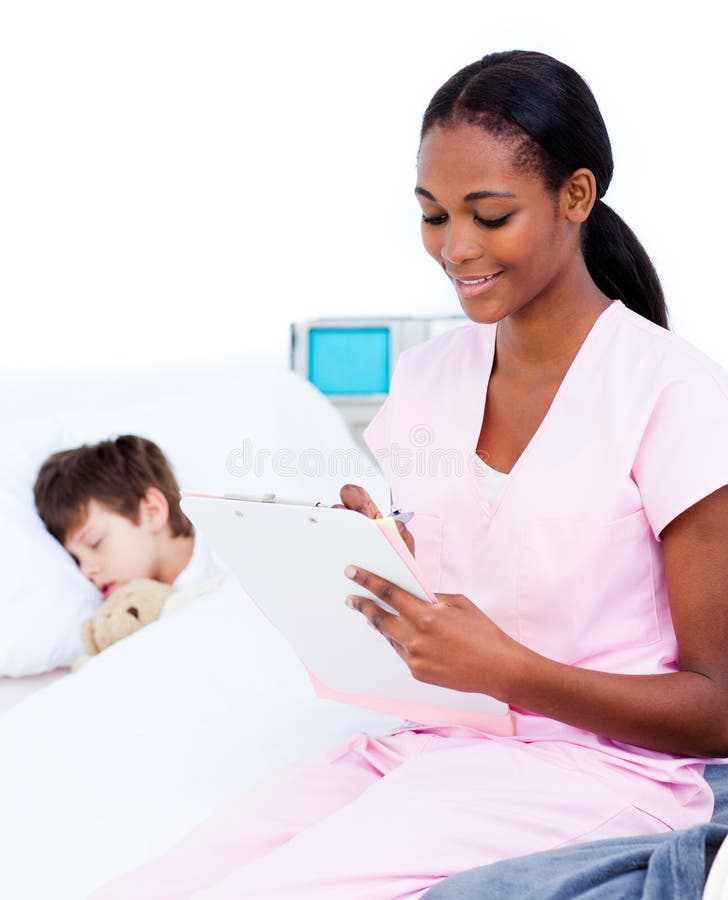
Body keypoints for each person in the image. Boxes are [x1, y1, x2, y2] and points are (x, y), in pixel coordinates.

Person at [88, 50, 728, 900]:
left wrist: (508, 669)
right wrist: (374, 556)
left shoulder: (672, 392)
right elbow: (480, 578)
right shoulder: (430, 378)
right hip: (435, 745)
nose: (455, 249)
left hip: (600, 775)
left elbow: (716, 709)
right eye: (432, 216)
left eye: (490, 215)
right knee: (159, 883)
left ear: (577, 196)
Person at [34, 434, 220, 596]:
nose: (86, 571)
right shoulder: (130, 615)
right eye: (76, 560)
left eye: (95, 543)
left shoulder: (227, 563)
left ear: (152, 512)